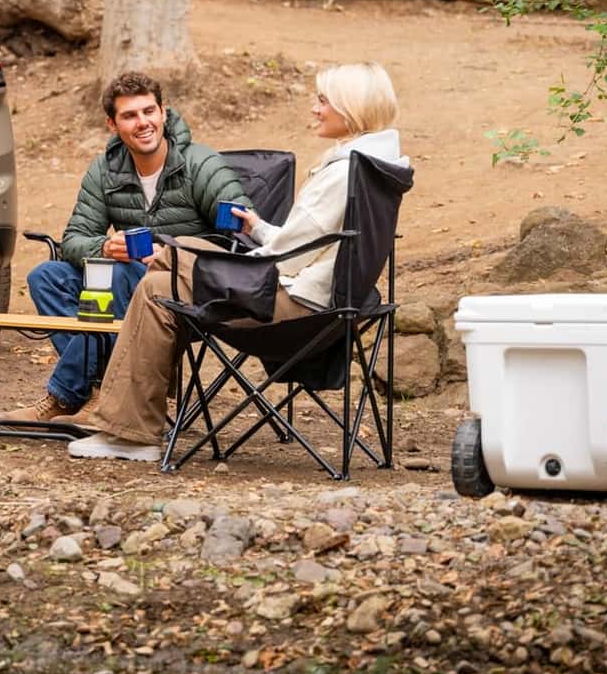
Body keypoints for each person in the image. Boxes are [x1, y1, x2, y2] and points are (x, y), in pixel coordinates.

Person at [65, 61, 408, 461]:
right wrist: (258, 228)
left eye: (323, 101)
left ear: (351, 108)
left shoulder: (344, 170)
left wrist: (222, 263)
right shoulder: (374, 162)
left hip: (295, 305)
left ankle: (128, 430)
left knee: (167, 268)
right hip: (325, 297)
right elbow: (308, 241)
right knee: (161, 281)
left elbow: (287, 258)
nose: (315, 109)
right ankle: (128, 427)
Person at [0, 72, 248, 425]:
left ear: (164, 113)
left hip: (190, 292)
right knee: (46, 277)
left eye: (149, 111)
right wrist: (105, 245)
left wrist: (172, 255)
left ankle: (64, 396)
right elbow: (75, 240)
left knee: (118, 275)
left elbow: (238, 236)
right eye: (130, 115)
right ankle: (99, 390)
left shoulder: (200, 165)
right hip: (126, 290)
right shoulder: (105, 170)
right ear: (112, 124)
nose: (142, 123)